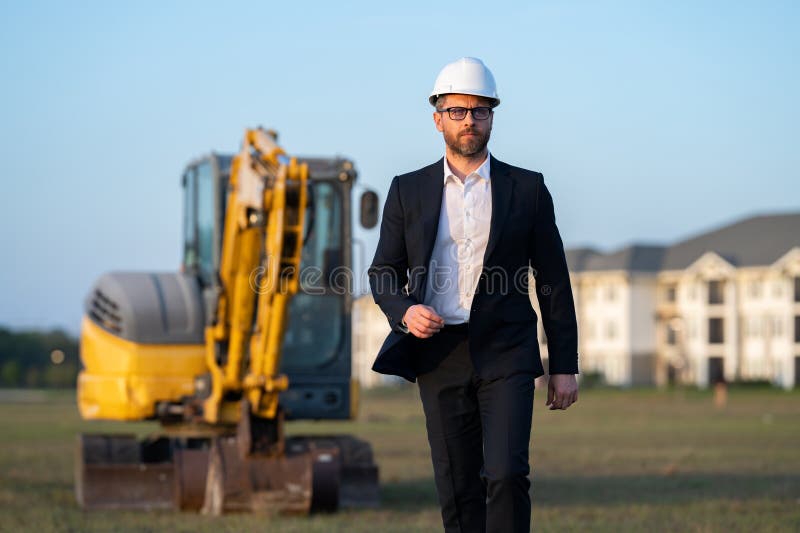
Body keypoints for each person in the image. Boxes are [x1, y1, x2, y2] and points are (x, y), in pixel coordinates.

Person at [368, 57, 579, 533]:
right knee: (458, 485)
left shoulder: (527, 188)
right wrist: (405, 313)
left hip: (507, 351)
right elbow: (382, 272)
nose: (469, 120)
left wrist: (564, 364)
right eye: (459, 111)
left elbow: (553, 279)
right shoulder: (407, 190)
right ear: (438, 116)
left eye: (480, 111)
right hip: (439, 354)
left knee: (506, 474)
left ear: (492, 117)